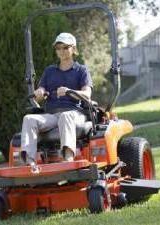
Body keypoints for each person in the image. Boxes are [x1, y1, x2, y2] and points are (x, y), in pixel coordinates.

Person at [20, 32, 93, 170]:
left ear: (74, 49)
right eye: (58, 48)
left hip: (74, 113)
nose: (61, 51)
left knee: (66, 116)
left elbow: (87, 94)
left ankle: (68, 158)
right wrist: (39, 92)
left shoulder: (81, 70)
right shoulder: (50, 71)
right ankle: (29, 162)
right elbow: (40, 93)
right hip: (53, 115)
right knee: (29, 119)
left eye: (65, 47)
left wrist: (69, 91)